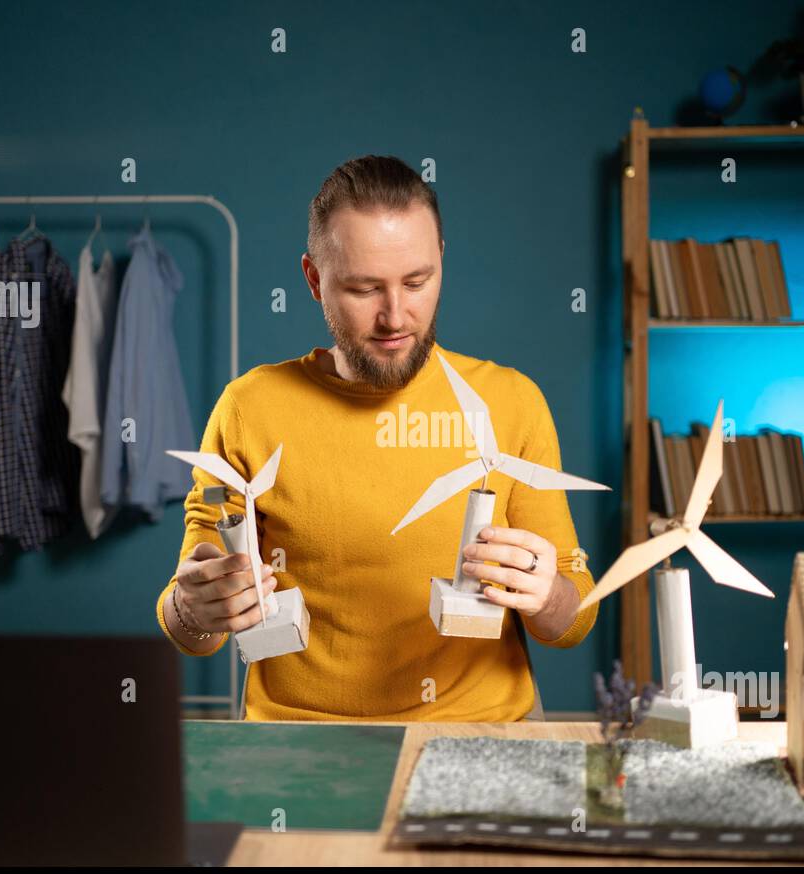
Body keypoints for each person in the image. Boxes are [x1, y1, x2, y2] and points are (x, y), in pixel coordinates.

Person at [157, 155, 599, 720]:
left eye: (417, 282)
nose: (396, 316)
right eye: (364, 289)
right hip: (299, 740)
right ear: (314, 280)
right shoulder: (249, 408)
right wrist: (193, 607)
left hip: (482, 734)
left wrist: (549, 595)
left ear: (441, 259)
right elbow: (195, 631)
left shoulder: (512, 402)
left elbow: (573, 623)